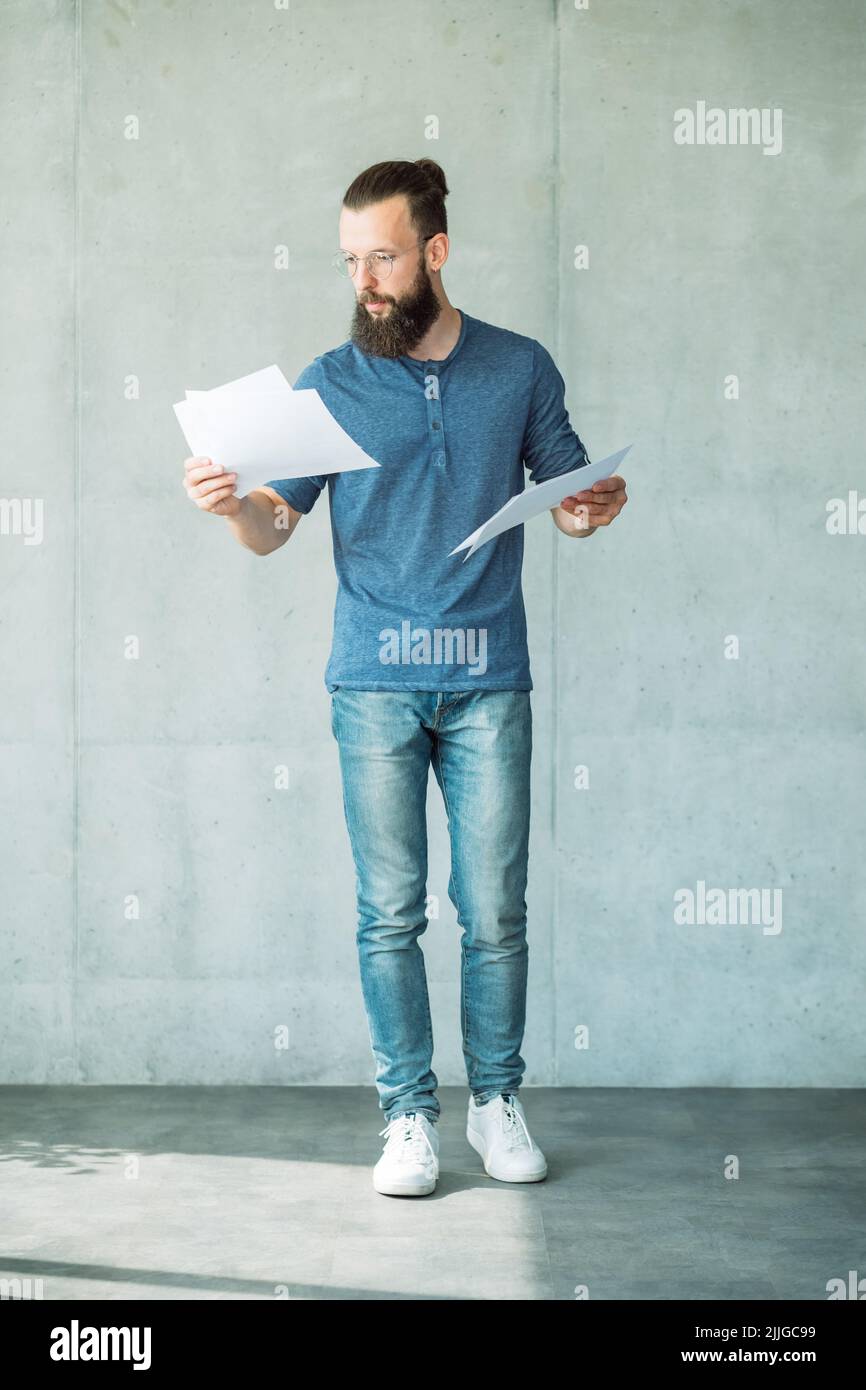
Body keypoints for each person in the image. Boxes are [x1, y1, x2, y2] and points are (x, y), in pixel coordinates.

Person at [182, 158, 628, 1198]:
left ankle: (495, 1101)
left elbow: (570, 485)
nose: (364, 281)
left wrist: (588, 506)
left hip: (487, 679)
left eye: (381, 257)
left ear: (433, 251)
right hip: (372, 682)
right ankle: (407, 1117)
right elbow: (272, 528)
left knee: (495, 909)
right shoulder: (329, 382)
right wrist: (230, 506)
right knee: (388, 912)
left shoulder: (518, 367)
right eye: (350, 261)